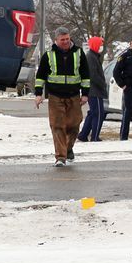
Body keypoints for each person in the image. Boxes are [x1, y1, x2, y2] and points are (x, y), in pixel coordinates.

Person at [34, 27, 90, 167]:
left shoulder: (79, 53)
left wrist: (85, 94)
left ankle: (68, 148)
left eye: (67, 39)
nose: (65, 42)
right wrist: (38, 94)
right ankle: (60, 157)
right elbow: (40, 76)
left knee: (74, 125)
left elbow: (85, 75)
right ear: (56, 40)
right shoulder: (48, 55)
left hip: (74, 96)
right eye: (62, 39)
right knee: (57, 126)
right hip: (55, 96)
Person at [77, 36, 108, 142]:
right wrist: (102, 84)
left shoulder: (94, 56)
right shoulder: (91, 57)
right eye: (100, 44)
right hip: (94, 90)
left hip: (94, 90)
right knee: (98, 114)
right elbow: (93, 75)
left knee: (93, 113)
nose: (101, 47)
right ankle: (95, 136)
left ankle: (83, 134)